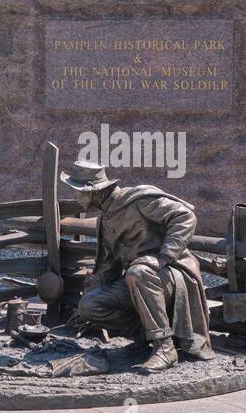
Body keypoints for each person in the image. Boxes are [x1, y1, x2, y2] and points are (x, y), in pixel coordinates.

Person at [64, 160, 212, 373]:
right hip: (140, 280)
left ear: (93, 191)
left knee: (138, 271)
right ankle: (144, 336)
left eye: (78, 191)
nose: (75, 196)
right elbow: (107, 267)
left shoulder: (138, 199)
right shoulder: (105, 220)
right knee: (89, 303)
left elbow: (185, 216)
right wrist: (86, 301)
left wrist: (162, 258)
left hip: (174, 274)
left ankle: (165, 348)